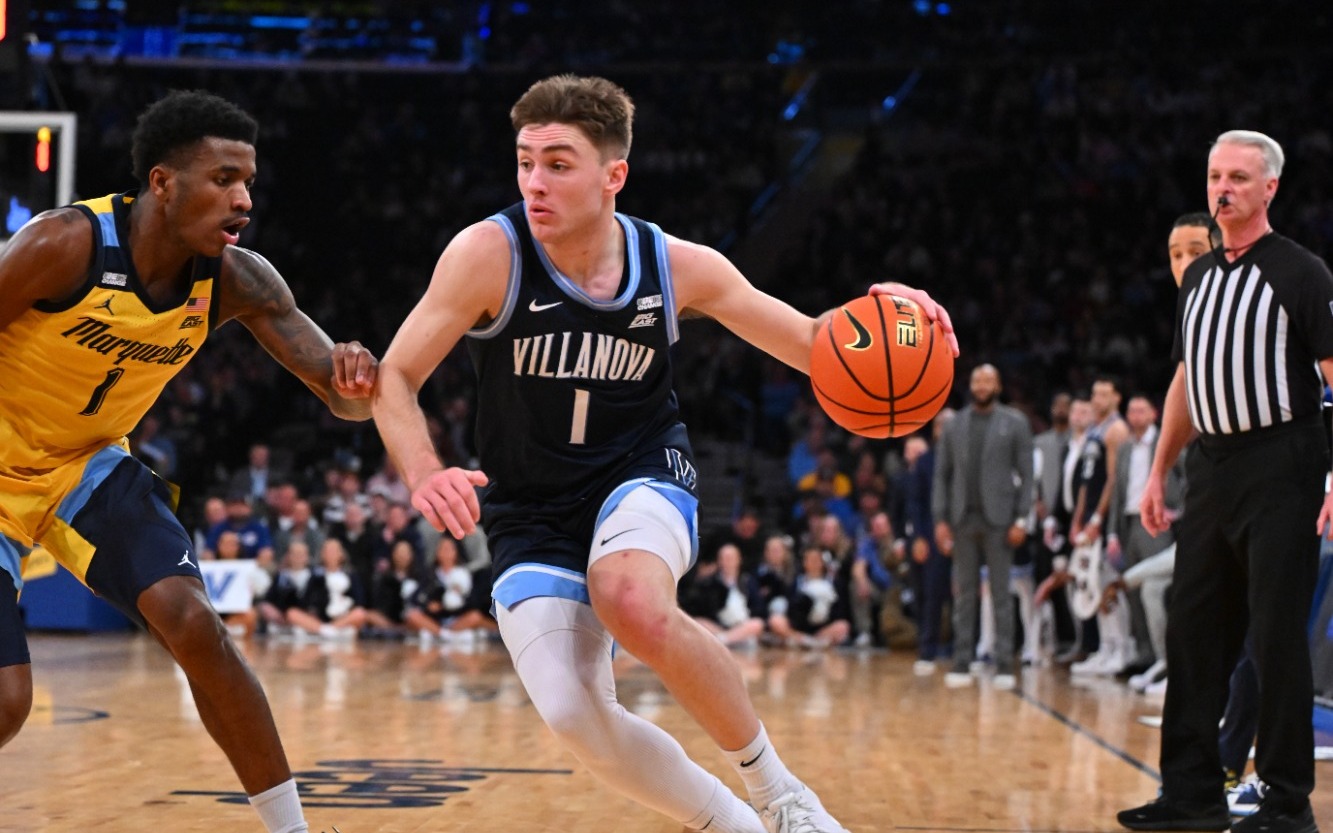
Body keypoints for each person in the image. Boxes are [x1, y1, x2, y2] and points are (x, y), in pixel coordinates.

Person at [372, 74, 956, 833]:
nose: (533, 182)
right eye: (524, 162)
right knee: (575, 715)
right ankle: (740, 828)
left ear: (613, 174)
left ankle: (782, 796)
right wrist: (424, 470)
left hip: (639, 470)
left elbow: (816, 342)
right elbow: (395, 374)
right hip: (529, 506)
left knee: (630, 597)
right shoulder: (487, 253)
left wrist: (895, 314)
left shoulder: (674, 264)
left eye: (558, 164)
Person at [0, 90, 378, 833]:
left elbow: (344, 402)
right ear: (163, 183)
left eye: (249, 183)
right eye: (224, 179)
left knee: (195, 622)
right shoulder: (63, 244)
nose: (243, 200)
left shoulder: (237, 279)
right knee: (8, 704)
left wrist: (358, 381)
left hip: (82, 467)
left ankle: (292, 830)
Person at [1119, 130, 1333, 833]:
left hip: (1283, 462)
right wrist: (1157, 471)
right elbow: (1187, 382)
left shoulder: (1302, 272)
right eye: (1215, 176)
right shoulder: (1199, 280)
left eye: (1238, 177)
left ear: (1269, 188)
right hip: (1210, 469)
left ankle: (1285, 801)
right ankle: (1190, 794)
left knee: (1274, 636)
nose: (1222, 189)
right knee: (1193, 634)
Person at [933, 363, 1034, 690]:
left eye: (988, 380)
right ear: (971, 385)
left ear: (998, 385)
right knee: (964, 595)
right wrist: (940, 519)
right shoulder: (954, 424)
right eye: (977, 380)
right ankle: (962, 661)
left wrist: (1022, 518)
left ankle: (1004, 663)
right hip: (962, 519)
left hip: (1000, 520)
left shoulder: (1015, 422)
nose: (982, 385)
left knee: (1001, 595)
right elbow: (942, 475)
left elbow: (1027, 475)